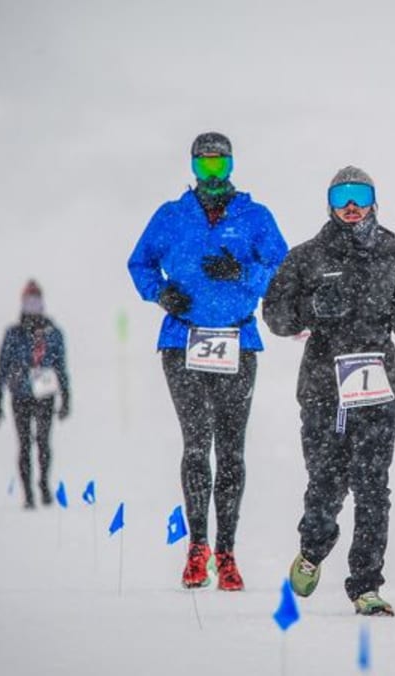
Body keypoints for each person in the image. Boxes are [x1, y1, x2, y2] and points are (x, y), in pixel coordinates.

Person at [127, 131, 288, 590]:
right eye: (205, 166)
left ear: (232, 165)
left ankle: (227, 553)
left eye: (220, 165)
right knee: (197, 445)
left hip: (237, 340)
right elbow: (139, 263)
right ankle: (197, 549)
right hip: (183, 342)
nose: (213, 174)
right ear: (193, 167)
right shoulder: (172, 216)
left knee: (231, 449)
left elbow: (283, 272)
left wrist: (244, 271)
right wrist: (161, 294)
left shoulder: (254, 217)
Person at [262, 166, 395, 617]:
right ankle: (313, 548)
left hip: (378, 388)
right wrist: (310, 309)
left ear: (374, 200)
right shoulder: (307, 257)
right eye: (342, 196)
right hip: (323, 391)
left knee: (374, 488)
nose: (351, 205)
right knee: (327, 485)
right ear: (329, 203)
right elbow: (274, 315)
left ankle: (366, 585)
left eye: (360, 195)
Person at [0, 280, 71, 510]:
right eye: (29, 301)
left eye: (36, 301)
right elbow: (2, 368)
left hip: (45, 394)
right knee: (24, 445)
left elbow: (61, 368)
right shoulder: (14, 334)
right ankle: (28, 494)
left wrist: (66, 398)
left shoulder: (53, 333)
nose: (33, 306)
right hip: (21, 394)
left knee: (43, 442)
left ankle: (43, 483)